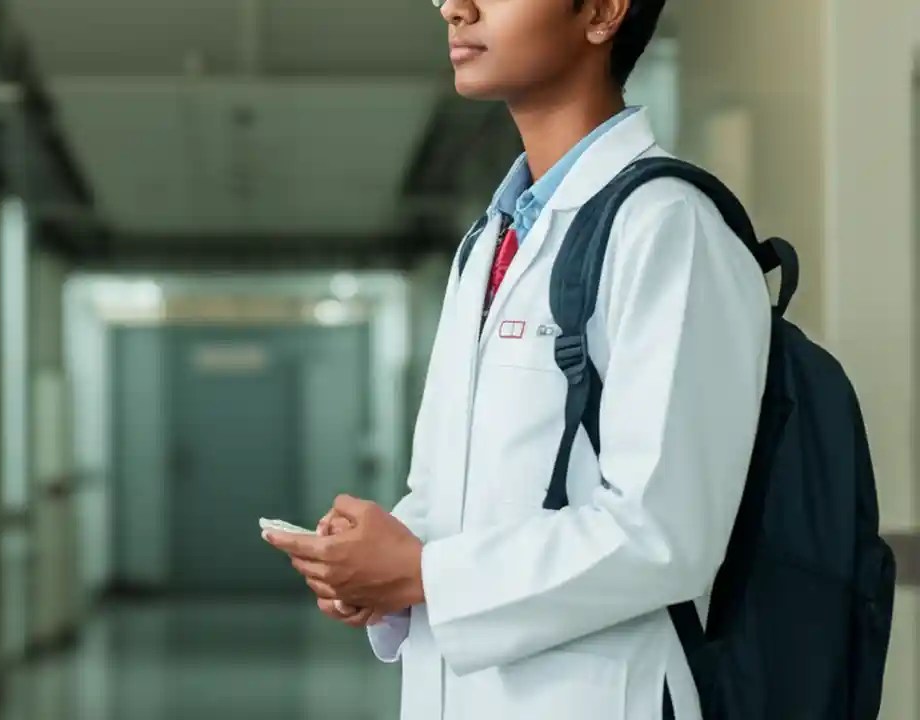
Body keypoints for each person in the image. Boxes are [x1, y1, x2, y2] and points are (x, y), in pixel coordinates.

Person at [262, 0, 771, 717]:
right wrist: (381, 571)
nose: (452, 6)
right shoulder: (491, 242)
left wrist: (422, 574)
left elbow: (665, 533)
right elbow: (455, 492)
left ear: (600, 12)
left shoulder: (668, 228)